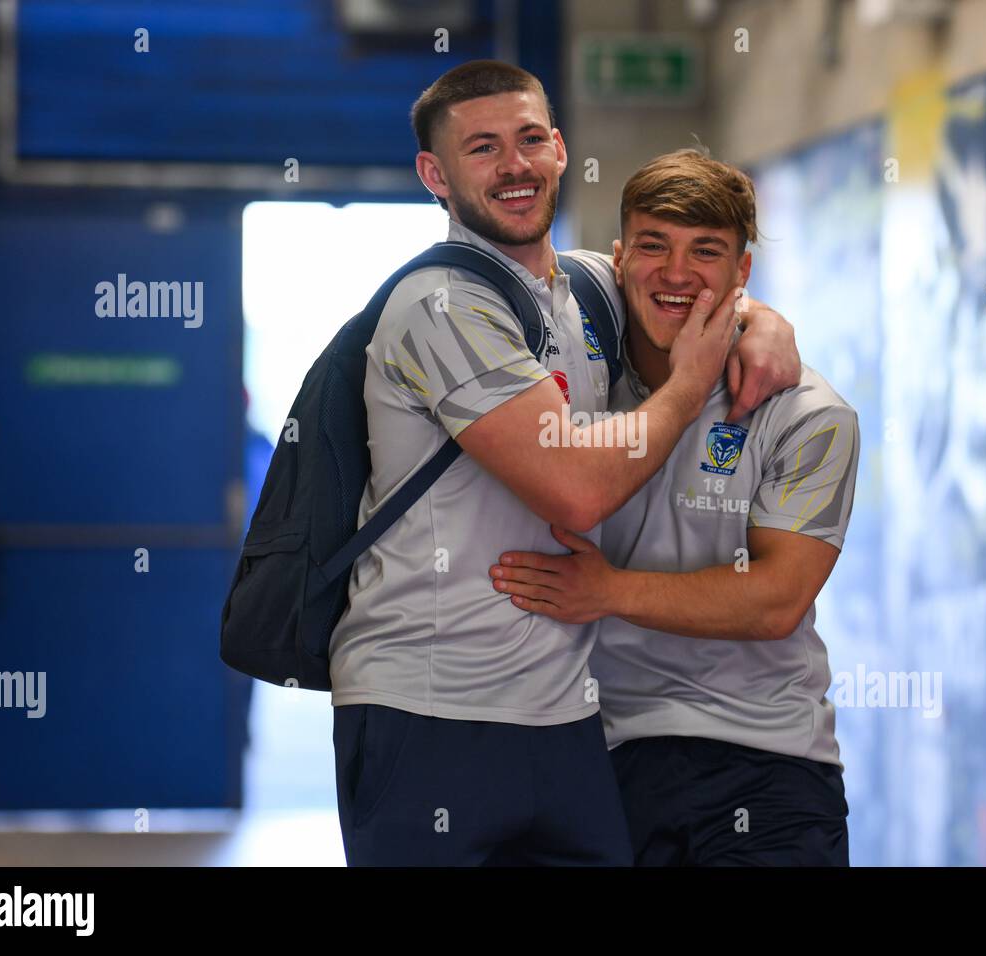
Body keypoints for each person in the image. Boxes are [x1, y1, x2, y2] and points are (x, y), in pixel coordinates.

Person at [330, 62, 802, 866]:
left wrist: (763, 320)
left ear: (558, 148)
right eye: (482, 149)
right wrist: (690, 386)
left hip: (563, 717)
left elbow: (680, 288)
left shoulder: (585, 287)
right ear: (434, 175)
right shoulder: (440, 306)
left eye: (527, 139)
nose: (513, 166)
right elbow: (577, 490)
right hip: (428, 712)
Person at [490, 148, 860, 866]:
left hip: (768, 761)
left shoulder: (809, 414)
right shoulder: (575, 389)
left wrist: (607, 592)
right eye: (653, 245)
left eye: (707, 253)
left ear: (743, 273)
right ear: (620, 258)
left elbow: (775, 602)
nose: (678, 272)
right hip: (604, 755)